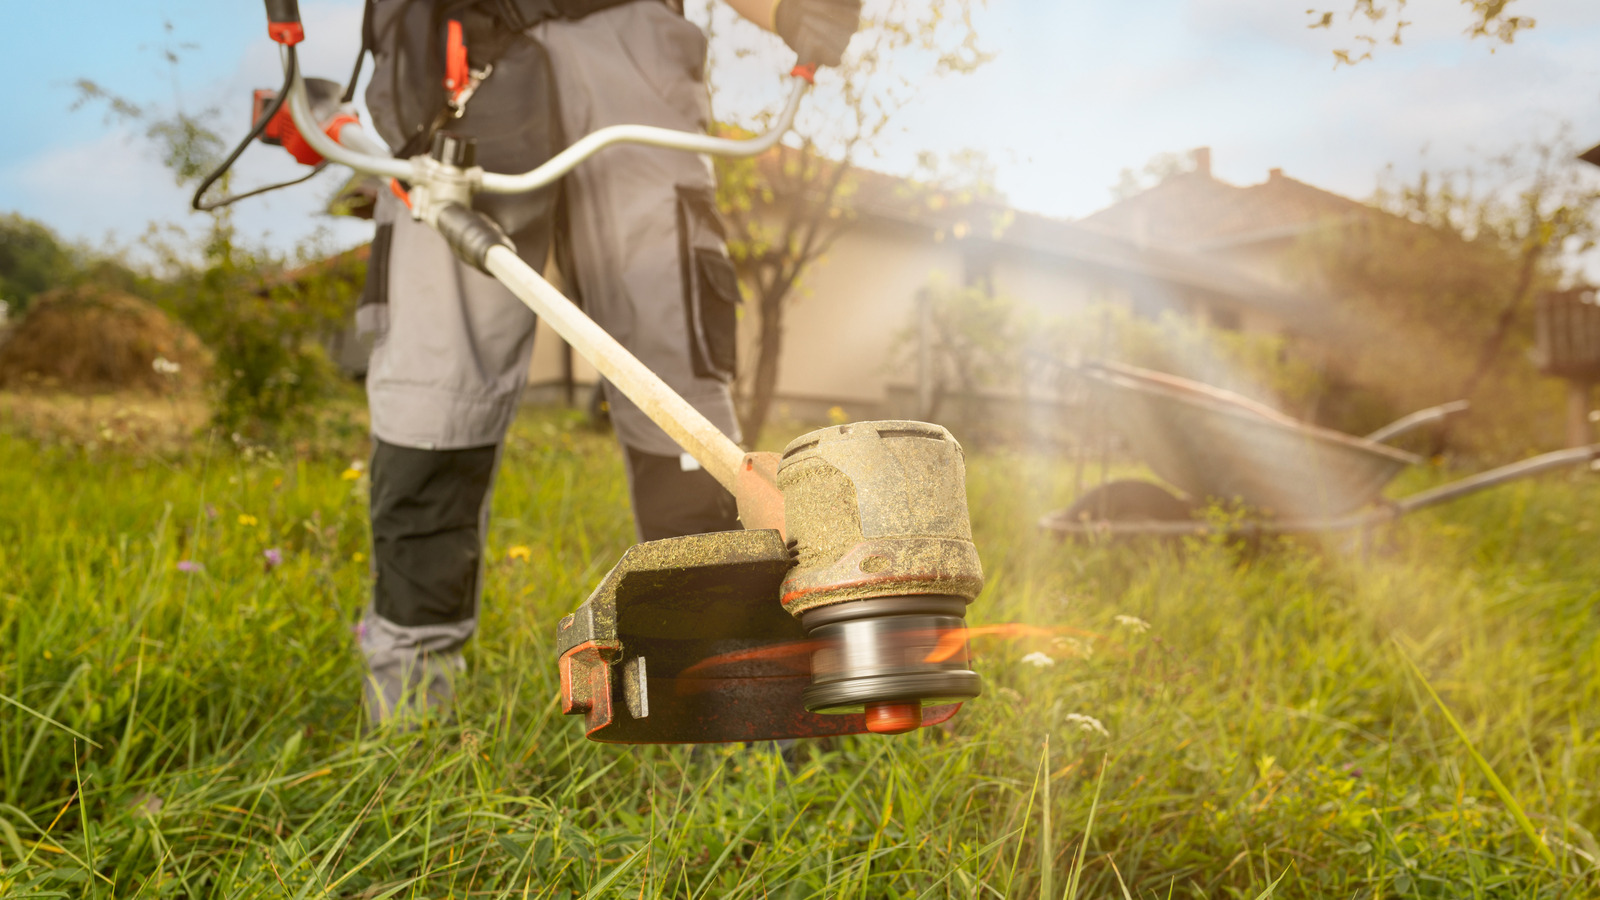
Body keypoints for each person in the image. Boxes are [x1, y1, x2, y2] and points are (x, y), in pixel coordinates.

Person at [354, 0, 861, 726]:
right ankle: (407, 714)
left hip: (628, 51)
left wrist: (787, 10)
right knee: (434, 400)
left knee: (679, 402)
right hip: (452, 62)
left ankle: (725, 704)